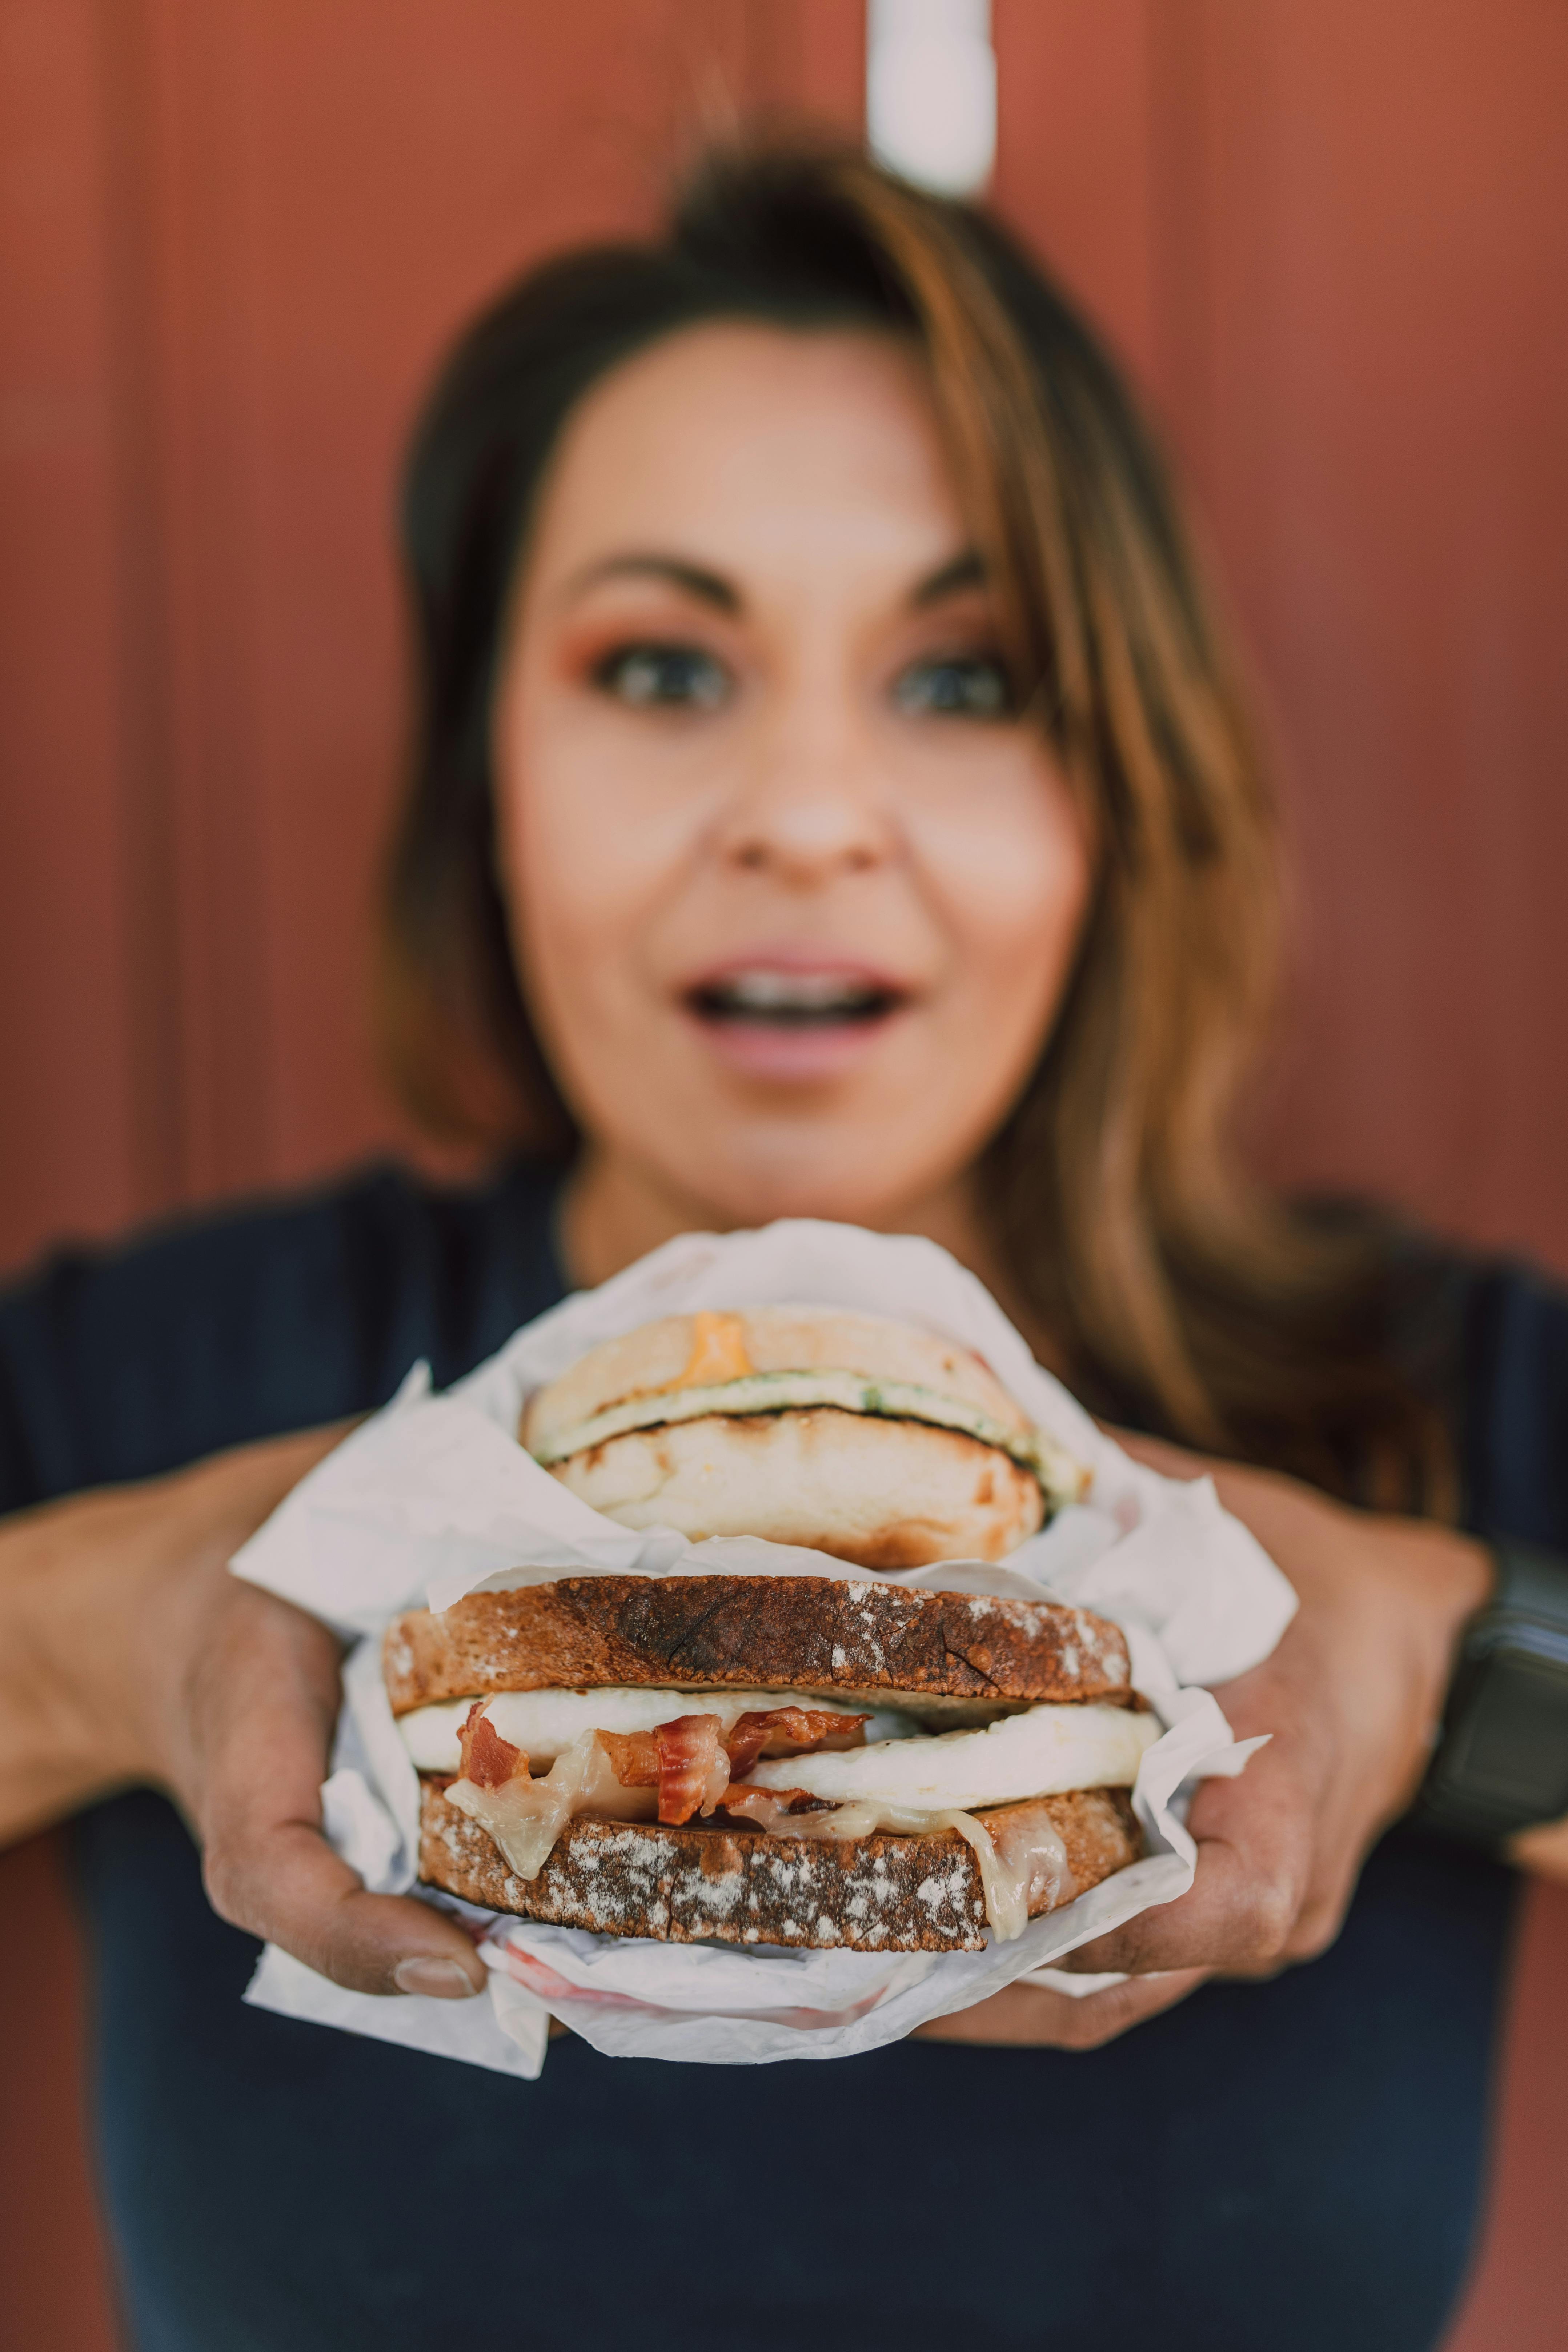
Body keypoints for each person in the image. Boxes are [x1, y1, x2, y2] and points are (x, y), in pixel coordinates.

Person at [1, 143, 1564, 2352]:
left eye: (965, 679)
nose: (811, 812)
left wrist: (1448, 1648)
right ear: (488, 782)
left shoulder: (1449, 1397)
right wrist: (106, 1627)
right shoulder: (161, 1375)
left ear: (1117, 787)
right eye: (659, 667)